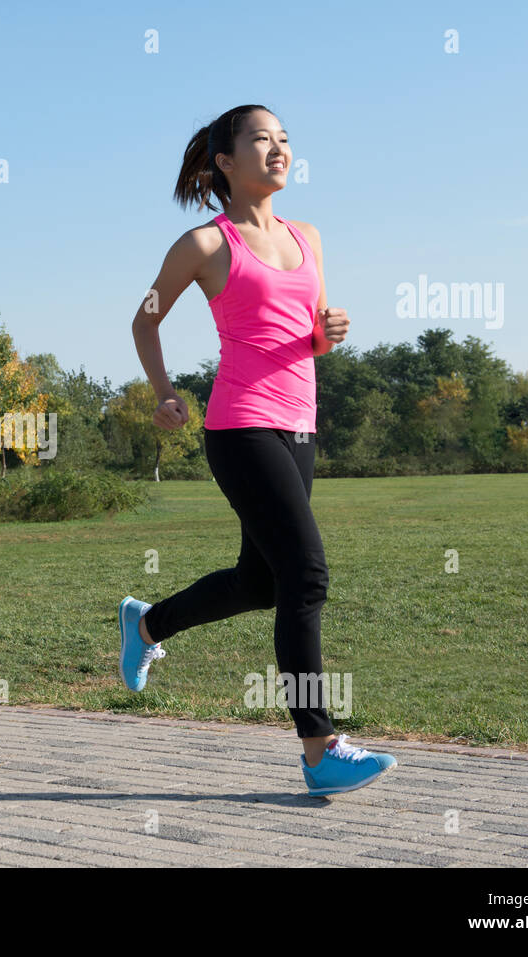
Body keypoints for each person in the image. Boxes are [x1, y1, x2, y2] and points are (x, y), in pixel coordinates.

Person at [119, 105, 396, 795]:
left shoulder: (309, 236)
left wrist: (330, 331)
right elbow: (144, 318)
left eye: (284, 139)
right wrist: (163, 390)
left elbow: (313, 339)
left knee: (261, 583)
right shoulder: (205, 245)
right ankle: (319, 748)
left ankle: (148, 622)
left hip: (300, 425)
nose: (277, 149)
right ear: (225, 162)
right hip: (240, 426)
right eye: (260, 139)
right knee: (306, 577)